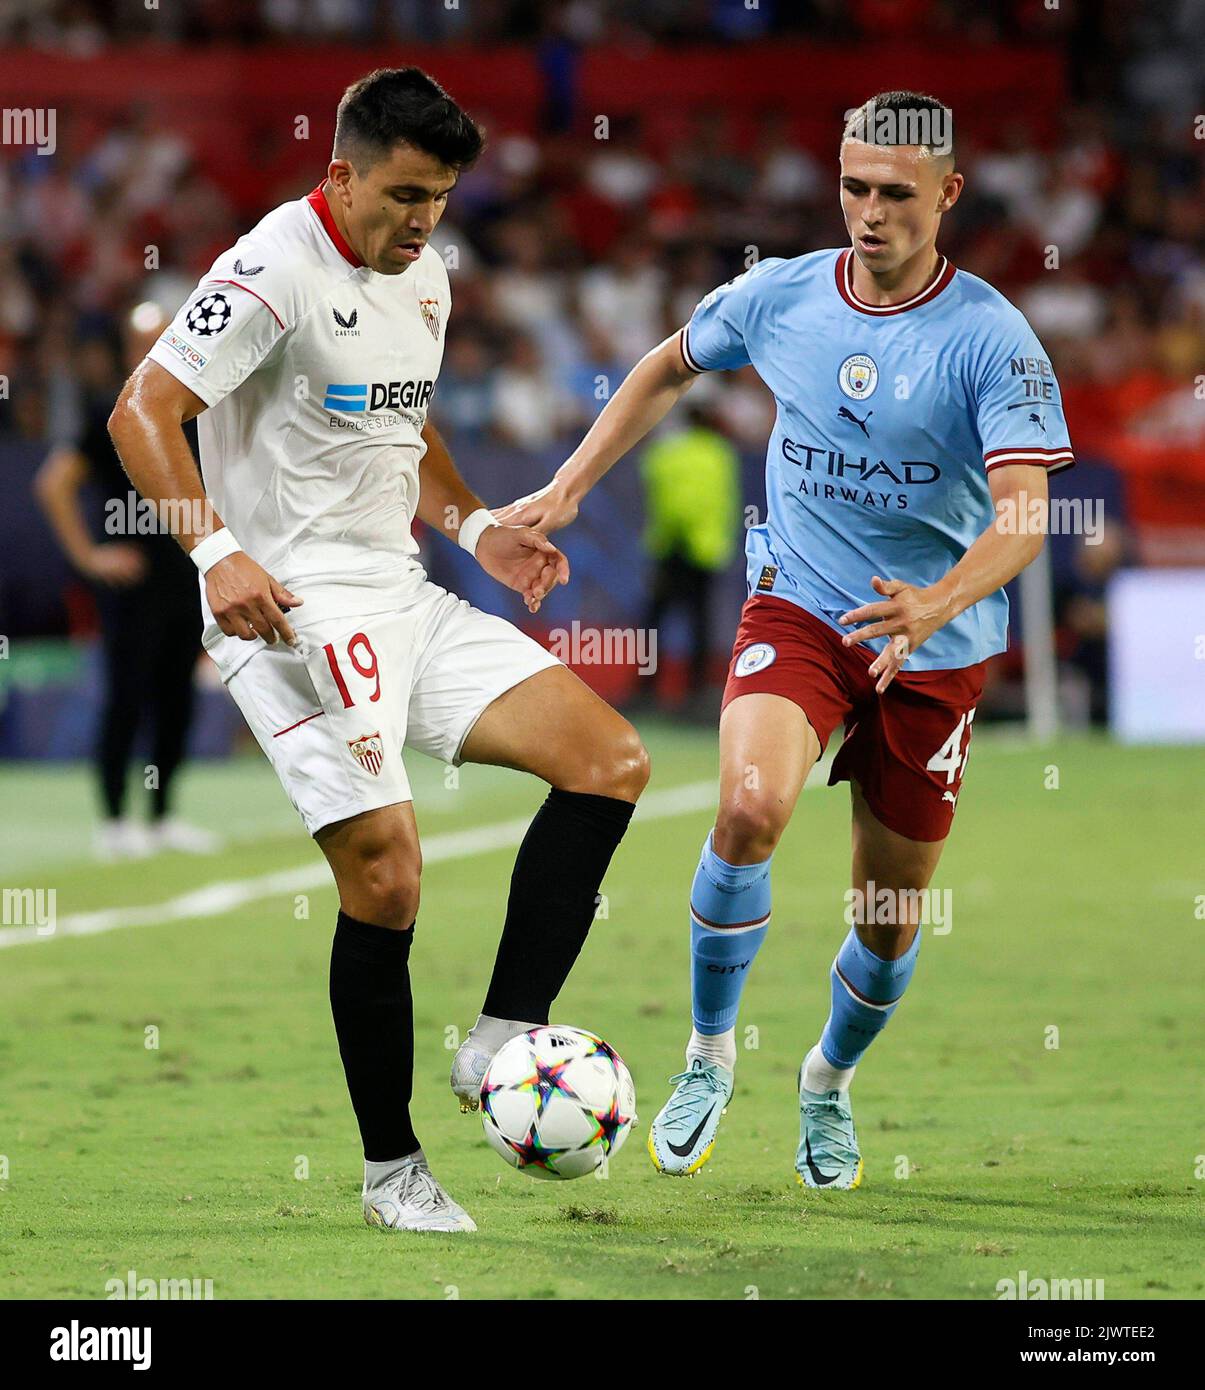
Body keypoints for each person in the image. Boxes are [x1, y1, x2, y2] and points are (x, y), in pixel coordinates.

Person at [498, 91, 1073, 1190]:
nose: (867, 212)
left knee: (889, 917)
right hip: (800, 604)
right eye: (853, 187)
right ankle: (708, 1054)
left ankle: (824, 1082)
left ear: (946, 195)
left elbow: (1022, 512)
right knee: (748, 806)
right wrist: (571, 484)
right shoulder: (780, 295)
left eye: (894, 194)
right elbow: (670, 362)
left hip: (932, 643)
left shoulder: (992, 339)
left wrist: (936, 601)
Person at [108, 67, 649, 1233]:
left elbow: (402, 423)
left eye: (441, 198)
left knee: (607, 760)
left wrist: (472, 530)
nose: (421, 221)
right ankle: (391, 1169)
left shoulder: (428, 276)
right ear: (340, 172)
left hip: (400, 591)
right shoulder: (267, 269)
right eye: (403, 194)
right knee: (388, 875)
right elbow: (139, 414)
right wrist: (214, 554)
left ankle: (502, 1035)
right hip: (288, 609)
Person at [34, 304, 215, 860]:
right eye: (143, 340)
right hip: (133, 588)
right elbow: (53, 483)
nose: (153, 350)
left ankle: (162, 818)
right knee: (127, 699)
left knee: (177, 700)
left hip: (187, 577)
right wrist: (90, 557)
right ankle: (114, 822)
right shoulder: (115, 412)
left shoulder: (201, 414)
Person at [639, 401, 740, 714]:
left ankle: (645, 688)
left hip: (671, 546)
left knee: (654, 621)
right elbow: (727, 501)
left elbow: (653, 481)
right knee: (701, 622)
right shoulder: (721, 454)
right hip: (706, 550)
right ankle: (695, 691)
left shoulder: (668, 452)